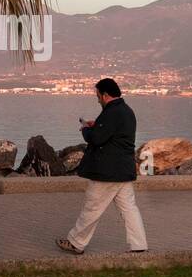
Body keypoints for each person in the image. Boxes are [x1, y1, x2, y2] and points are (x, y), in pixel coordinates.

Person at [57, 78, 148, 254]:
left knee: (92, 207)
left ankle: (76, 242)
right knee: (129, 209)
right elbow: (110, 132)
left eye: (98, 95)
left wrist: (85, 129)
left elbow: (97, 138)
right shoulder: (126, 111)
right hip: (123, 169)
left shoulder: (112, 112)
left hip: (107, 171)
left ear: (105, 95)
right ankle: (139, 245)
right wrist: (96, 125)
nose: (97, 99)